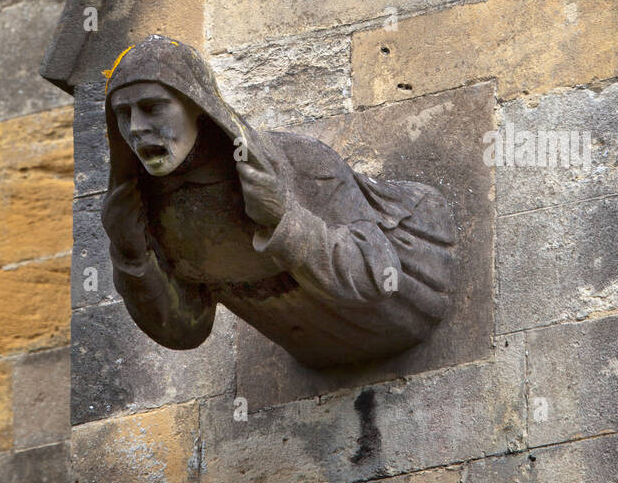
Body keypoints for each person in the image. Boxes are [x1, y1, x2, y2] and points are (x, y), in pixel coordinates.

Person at [101, 35, 455, 369]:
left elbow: (377, 276)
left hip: (416, 299)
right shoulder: (148, 213)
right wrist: (132, 256)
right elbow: (186, 330)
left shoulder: (300, 161)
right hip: (320, 350)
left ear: (197, 105)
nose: (135, 127)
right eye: (124, 114)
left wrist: (284, 220)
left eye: (152, 108)